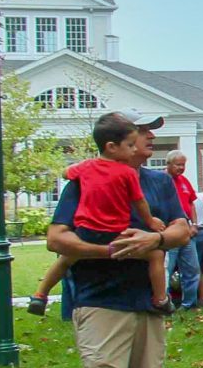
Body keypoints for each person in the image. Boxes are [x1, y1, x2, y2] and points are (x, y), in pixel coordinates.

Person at [47, 113, 193, 368]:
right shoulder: (83, 180)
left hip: (146, 300)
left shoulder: (159, 183)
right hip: (99, 299)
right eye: (141, 132)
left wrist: (155, 238)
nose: (146, 139)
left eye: (148, 133)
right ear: (116, 143)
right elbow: (56, 238)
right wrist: (108, 250)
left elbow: (182, 229)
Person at [28, 114, 172, 317]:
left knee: (65, 260)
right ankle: (160, 299)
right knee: (156, 255)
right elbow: (139, 202)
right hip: (116, 233)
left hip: (86, 231)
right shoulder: (127, 172)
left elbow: (66, 172)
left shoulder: (86, 167)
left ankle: (40, 294)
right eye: (130, 144)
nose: (133, 149)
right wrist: (150, 221)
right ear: (112, 146)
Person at [164, 151, 203, 310]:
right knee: (167, 269)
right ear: (168, 164)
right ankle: (165, 303)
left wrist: (194, 225)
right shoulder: (162, 181)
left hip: (187, 231)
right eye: (178, 165)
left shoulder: (184, 181)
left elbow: (191, 203)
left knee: (192, 269)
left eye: (183, 165)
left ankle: (188, 304)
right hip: (170, 231)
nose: (181, 168)